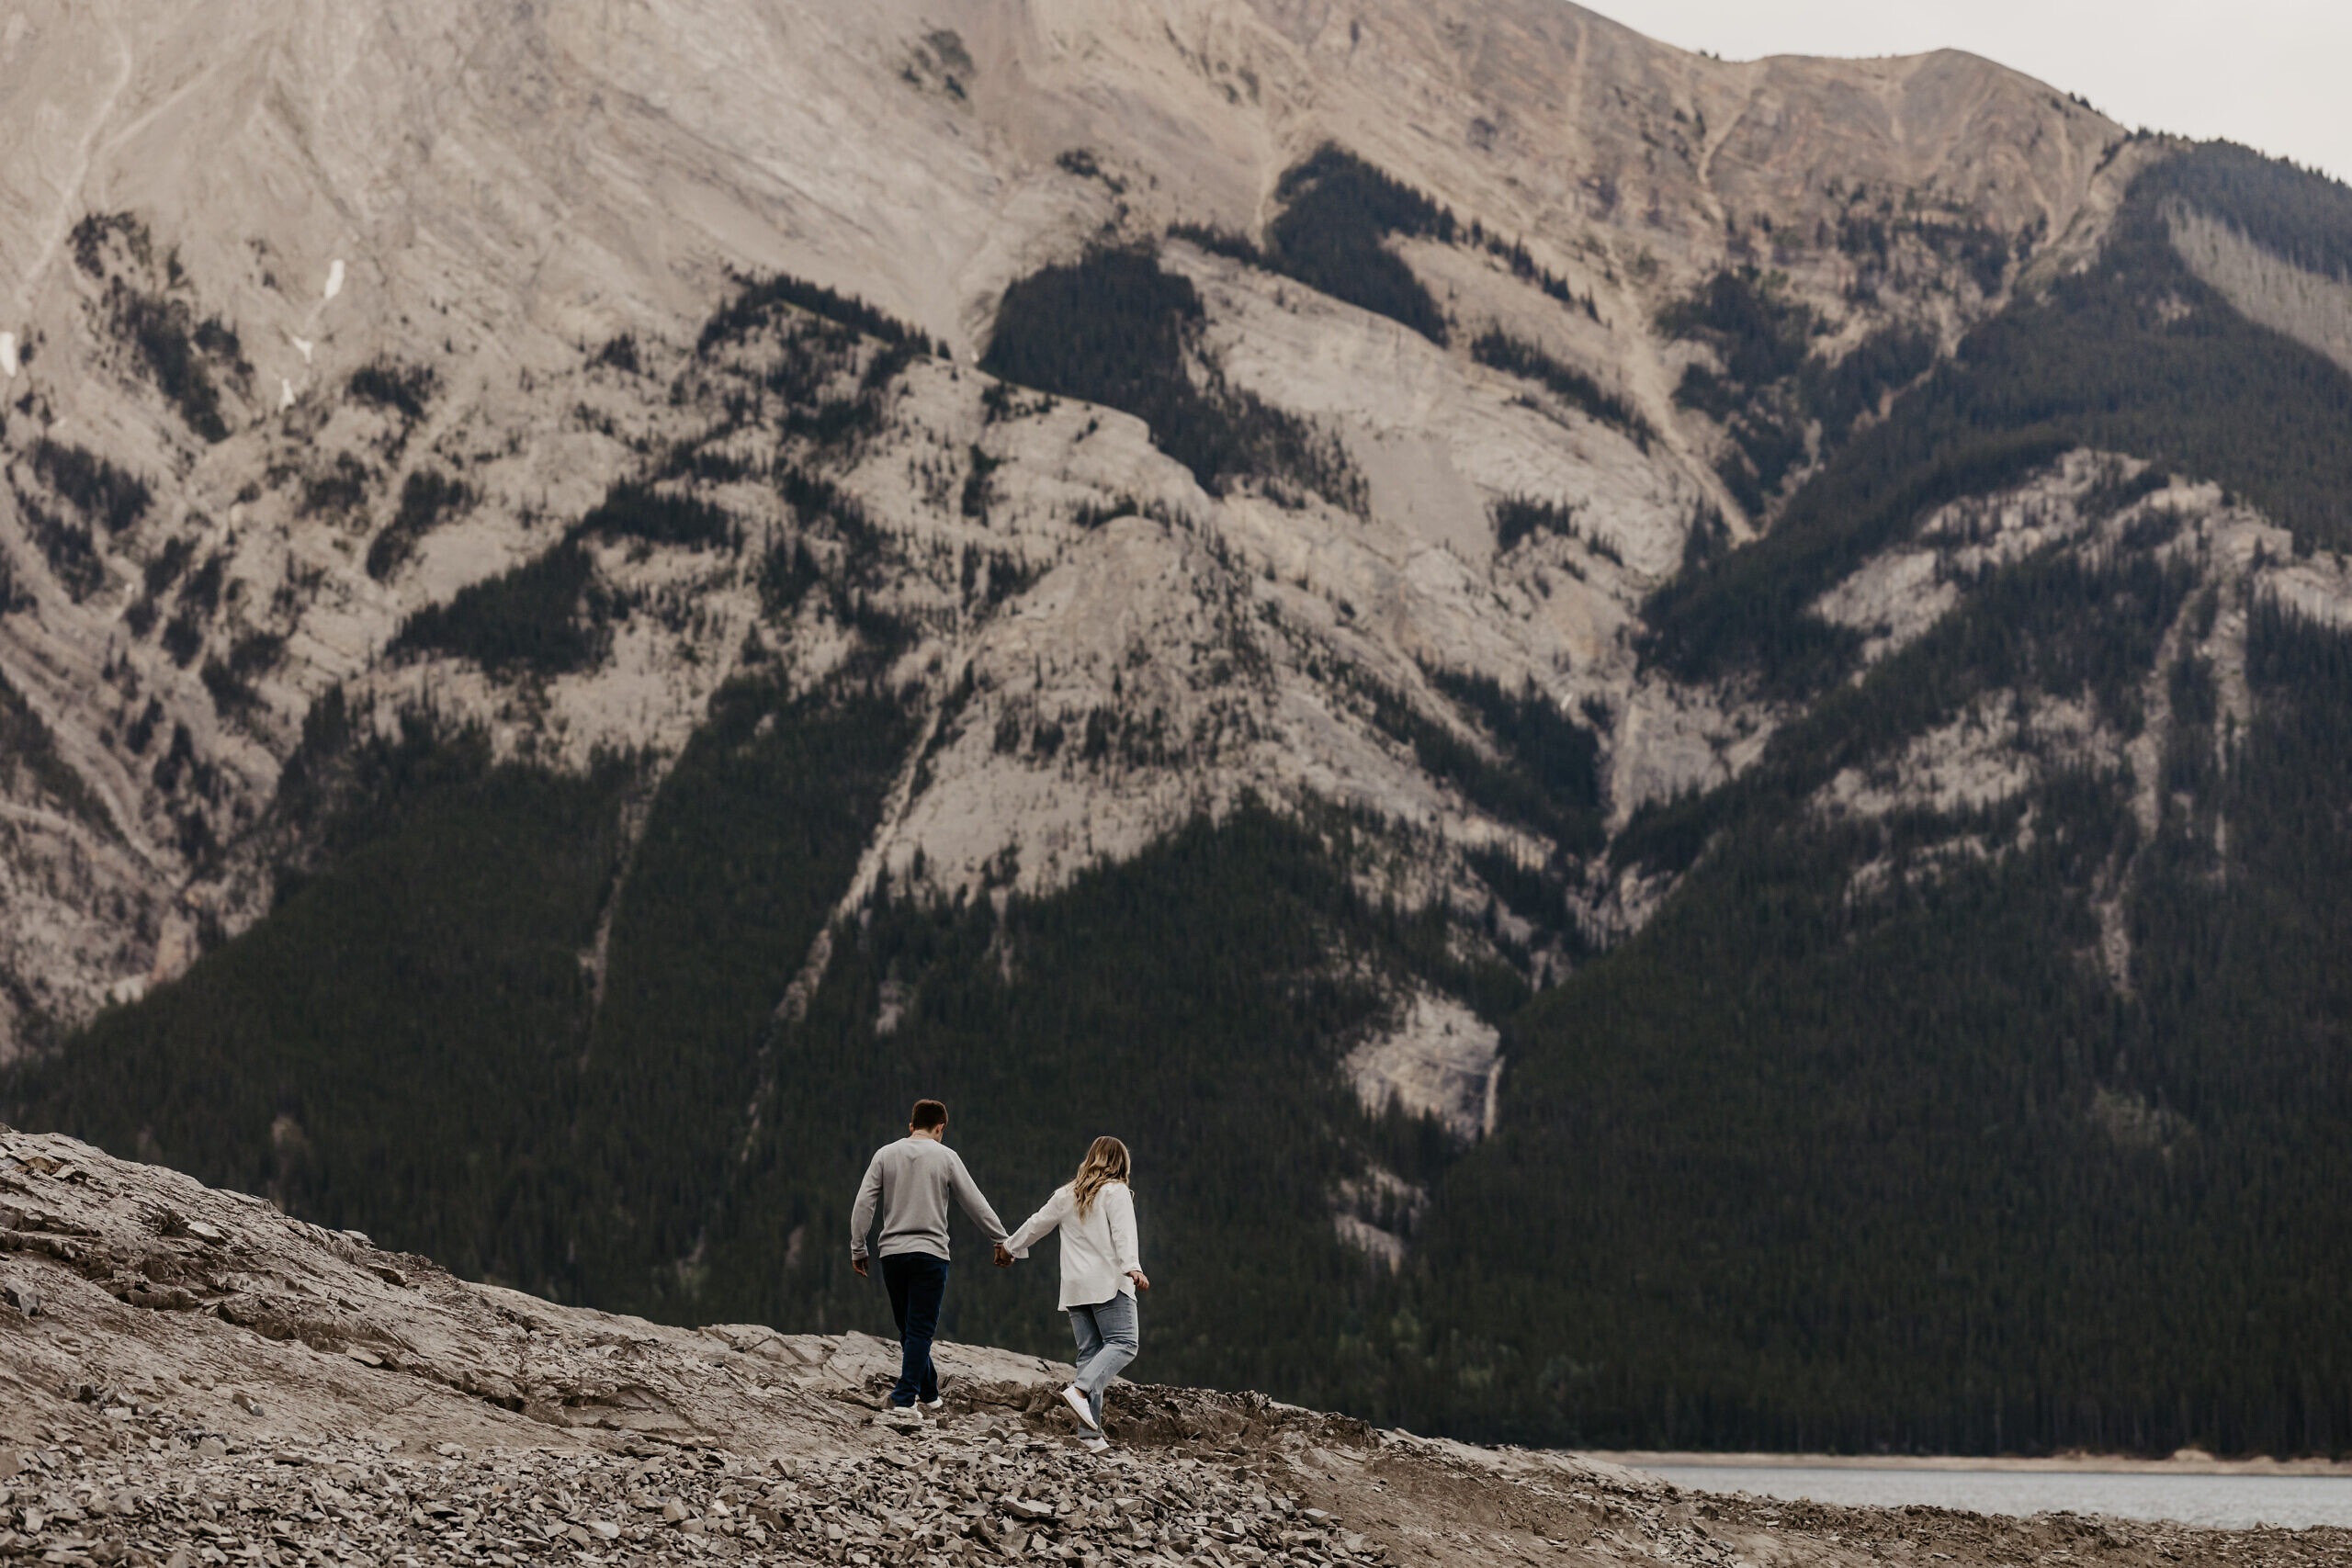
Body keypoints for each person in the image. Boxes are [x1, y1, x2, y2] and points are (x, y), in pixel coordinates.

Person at [849, 1098, 1010, 1414]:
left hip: (892, 1255)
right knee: (919, 1329)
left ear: (911, 1126)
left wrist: (858, 1247)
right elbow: (975, 1203)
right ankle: (905, 1399)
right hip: (931, 1255)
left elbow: (863, 1203)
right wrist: (1002, 1240)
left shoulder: (885, 1154)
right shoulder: (946, 1157)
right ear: (940, 1128)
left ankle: (930, 1394)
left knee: (909, 1329)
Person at [995, 1135, 1149, 1450]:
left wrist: (1009, 1247)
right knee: (1124, 1342)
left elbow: (1037, 1224)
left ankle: (1090, 1436)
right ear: (1121, 1164)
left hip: (1076, 1288)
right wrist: (1133, 1266)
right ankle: (1080, 1390)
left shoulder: (1067, 1194)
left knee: (1090, 1354)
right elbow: (1124, 1233)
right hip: (1108, 1283)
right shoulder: (1116, 1191)